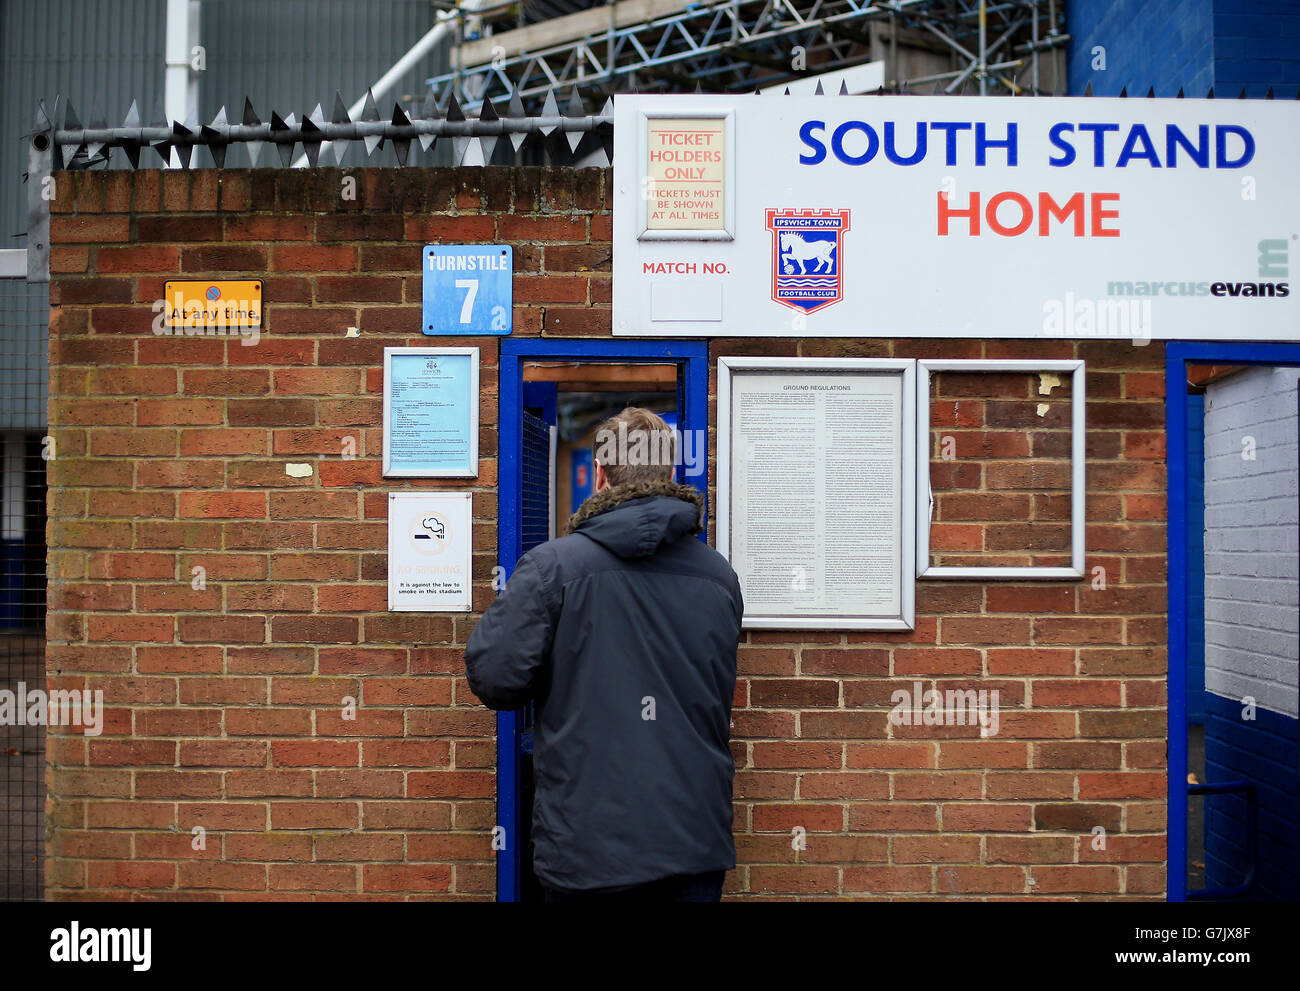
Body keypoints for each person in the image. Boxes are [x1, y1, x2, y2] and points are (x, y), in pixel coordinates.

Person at [464, 407, 744, 902]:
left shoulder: (554, 567)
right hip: (693, 841)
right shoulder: (717, 576)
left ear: (599, 474)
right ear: (669, 471)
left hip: (587, 845)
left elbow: (496, 678)